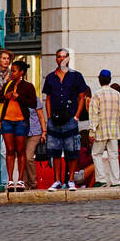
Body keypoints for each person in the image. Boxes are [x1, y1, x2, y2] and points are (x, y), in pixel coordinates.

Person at [43, 49, 89, 191]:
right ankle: (57, 180)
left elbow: (82, 96)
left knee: (72, 150)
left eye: (64, 56)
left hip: (70, 118)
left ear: (68, 59)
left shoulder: (76, 76)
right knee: (55, 151)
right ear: (56, 59)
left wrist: (76, 116)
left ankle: (70, 180)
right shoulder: (50, 77)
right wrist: (49, 117)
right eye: (59, 57)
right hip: (55, 119)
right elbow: (48, 98)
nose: (62, 59)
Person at [0, 60, 38, 191]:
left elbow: (33, 104)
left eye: (14, 71)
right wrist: (6, 96)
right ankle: (9, 180)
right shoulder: (8, 84)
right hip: (7, 120)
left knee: (20, 150)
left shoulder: (28, 86)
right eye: (11, 70)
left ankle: (20, 180)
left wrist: (18, 97)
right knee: (9, 149)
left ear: (21, 72)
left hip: (21, 121)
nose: (11, 73)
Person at [90, 70, 120, 187]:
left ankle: (101, 179)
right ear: (110, 80)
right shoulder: (117, 94)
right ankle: (116, 181)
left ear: (99, 80)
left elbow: (94, 114)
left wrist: (92, 131)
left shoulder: (96, 94)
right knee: (113, 155)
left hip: (101, 130)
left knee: (96, 154)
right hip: (114, 129)